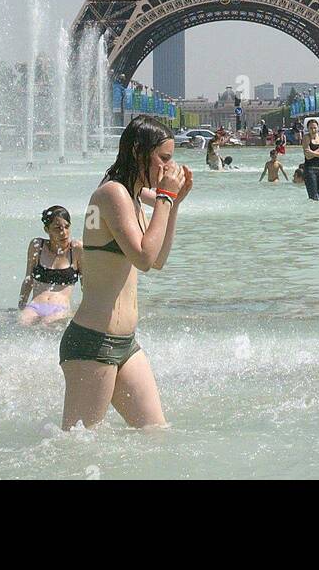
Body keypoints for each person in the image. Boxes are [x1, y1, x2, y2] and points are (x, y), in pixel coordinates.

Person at [60, 115, 192, 430]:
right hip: (93, 342)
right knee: (76, 446)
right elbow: (143, 258)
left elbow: (157, 259)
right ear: (137, 151)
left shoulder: (131, 198)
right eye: (163, 158)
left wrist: (173, 204)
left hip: (126, 343)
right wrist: (165, 197)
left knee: (156, 433)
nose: (168, 167)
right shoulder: (112, 194)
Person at [18, 205, 82, 326]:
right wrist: (21, 306)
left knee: (46, 324)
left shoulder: (76, 249)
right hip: (35, 306)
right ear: (46, 229)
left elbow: (86, 286)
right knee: (22, 322)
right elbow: (28, 279)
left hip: (60, 309)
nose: (64, 233)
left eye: (67, 227)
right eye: (57, 228)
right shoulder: (37, 246)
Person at [301, 118, 319, 200]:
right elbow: (308, 156)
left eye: (315, 128)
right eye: (311, 128)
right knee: (314, 197)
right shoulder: (306, 138)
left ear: (318, 128)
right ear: (307, 129)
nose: (313, 130)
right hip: (309, 170)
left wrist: (313, 152)